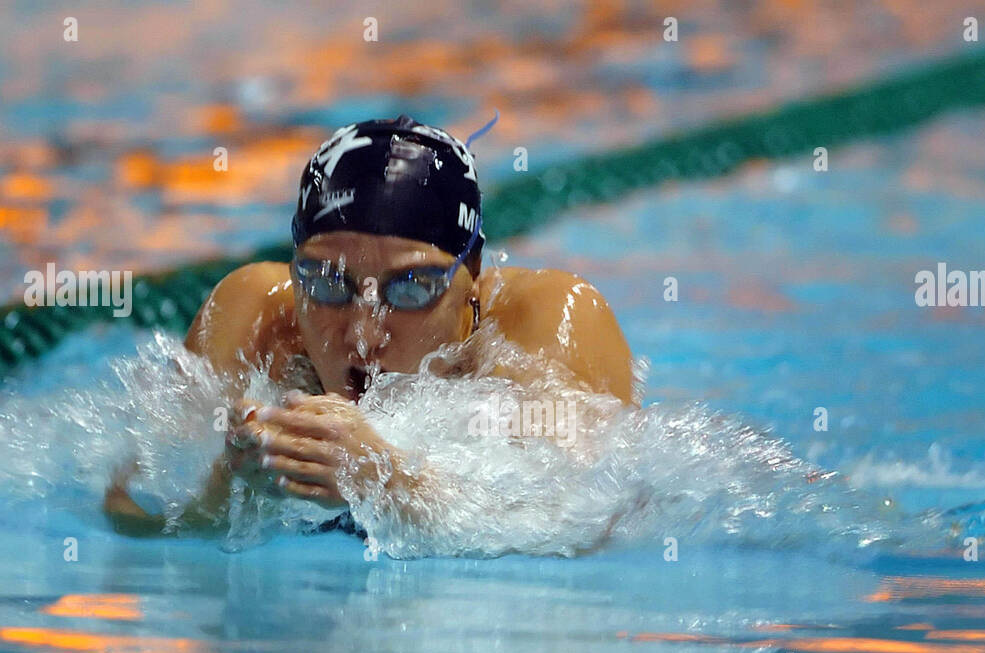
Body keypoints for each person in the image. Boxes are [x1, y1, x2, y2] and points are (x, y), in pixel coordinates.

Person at [104, 115, 636, 536]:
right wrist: (224, 496)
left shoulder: (545, 324)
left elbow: (583, 525)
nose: (363, 333)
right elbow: (127, 512)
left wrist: (387, 481)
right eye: (328, 283)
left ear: (470, 274)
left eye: (411, 288)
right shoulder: (256, 316)